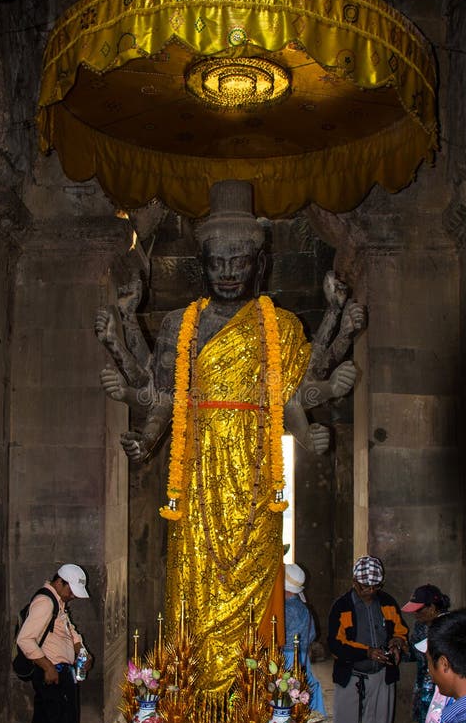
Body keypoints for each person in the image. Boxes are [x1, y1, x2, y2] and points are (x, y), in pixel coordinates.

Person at [109, 180, 364, 694]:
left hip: (253, 475)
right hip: (199, 478)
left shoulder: (282, 327)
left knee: (252, 591)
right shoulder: (182, 325)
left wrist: (307, 432)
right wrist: (148, 439)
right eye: (217, 262)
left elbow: (288, 400)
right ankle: (195, 691)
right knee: (197, 584)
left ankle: (251, 696)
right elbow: (166, 398)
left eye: (240, 262)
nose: (228, 273)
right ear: (202, 263)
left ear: (260, 265)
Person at [326, 555, 408, 723]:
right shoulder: (343, 606)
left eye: (375, 587)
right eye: (365, 587)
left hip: (381, 676)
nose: (370, 591)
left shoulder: (387, 602)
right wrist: (366, 652)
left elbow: (400, 630)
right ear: (355, 582)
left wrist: (396, 643)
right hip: (352, 675)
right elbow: (336, 644)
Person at [16, 564, 92, 723]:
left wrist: (81, 650)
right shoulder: (46, 602)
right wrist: (48, 667)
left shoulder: (56, 602)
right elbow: (25, 639)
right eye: (71, 590)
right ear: (60, 582)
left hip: (54, 675)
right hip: (54, 677)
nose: (72, 596)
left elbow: (66, 630)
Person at [401, 583, 451, 723]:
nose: (417, 615)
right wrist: (398, 649)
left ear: (433, 607)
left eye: (420, 610)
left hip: (444, 700)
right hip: (424, 697)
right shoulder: (421, 627)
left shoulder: (450, 628)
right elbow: (414, 653)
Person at [283, 563, 326, 717]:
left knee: (285, 700)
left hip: (286, 658)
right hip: (302, 658)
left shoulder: (285, 609)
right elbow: (312, 634)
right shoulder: (304, 608)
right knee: (298, 701)